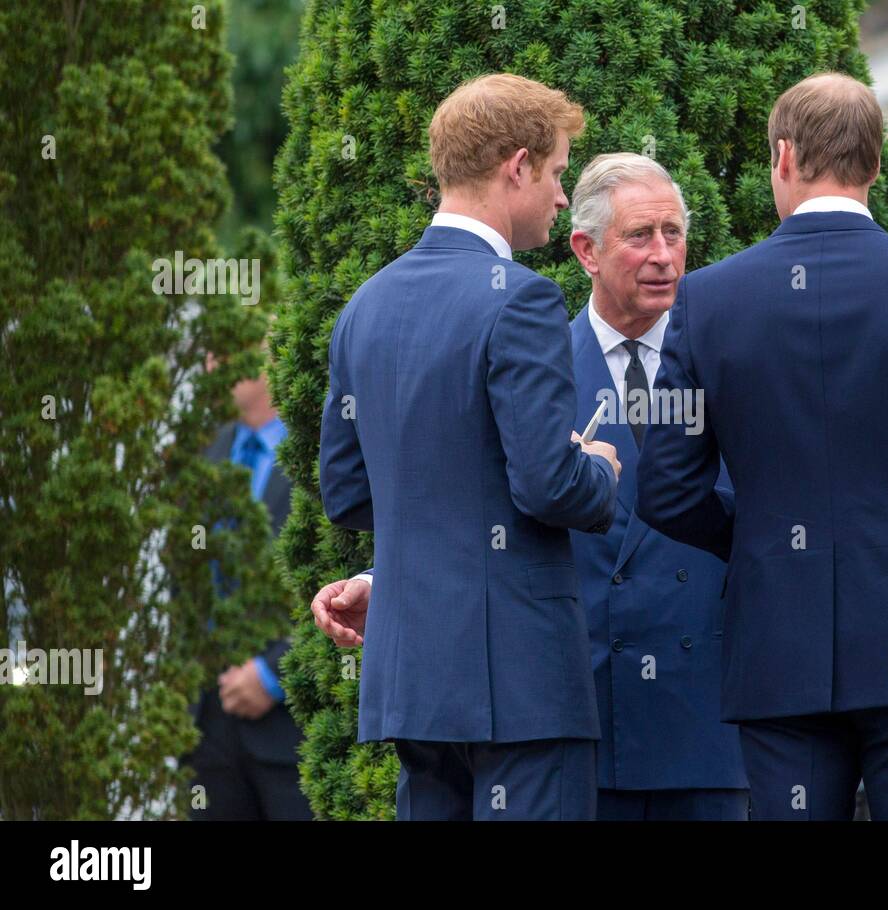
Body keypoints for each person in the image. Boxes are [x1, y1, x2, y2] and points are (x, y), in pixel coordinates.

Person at [314, 153, 751, 821]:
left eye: (674, 232)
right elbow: (464, 493)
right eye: (640, 236)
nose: (664, 254)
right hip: (566, 720)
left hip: (702, 730)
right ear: (586, 250)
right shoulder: (529, 349)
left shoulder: (734, 362)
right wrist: (384, 580)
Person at [637, 72, 888, 821]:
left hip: (778, 653)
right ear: (877, 164)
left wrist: (763, 535)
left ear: (784, 157)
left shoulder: (708, 299)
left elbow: (666, 489)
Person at [316, 74, 620, 821]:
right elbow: (551, 487)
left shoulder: (365, 305)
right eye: (554, 173)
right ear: (515, 165)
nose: (559, 197)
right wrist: (600, 468)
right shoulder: (521, 296)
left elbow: (349, 493)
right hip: (521, 683)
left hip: (414, 682)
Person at [190, 365, 312, 820]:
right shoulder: (210, 451)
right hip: (209, 725)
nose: (211, 364)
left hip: (291, 730)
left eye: (227, 349)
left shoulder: (318, 453)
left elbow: (344, 582)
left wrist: (271, 674)